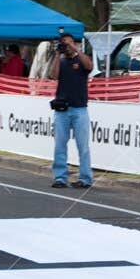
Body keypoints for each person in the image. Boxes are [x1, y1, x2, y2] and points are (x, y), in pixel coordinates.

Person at [46, 32, 94, 188]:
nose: (67, 46)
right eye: (64, 43)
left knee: (83, 146)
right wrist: (57, 54)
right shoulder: (61, 61)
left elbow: (89, 66)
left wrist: (75, 49)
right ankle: (60, 177)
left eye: (69, 43)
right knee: (60, 144)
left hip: (79, 109)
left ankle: (85, 178)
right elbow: (53, 75)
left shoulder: (80, 60)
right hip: (62, 109)